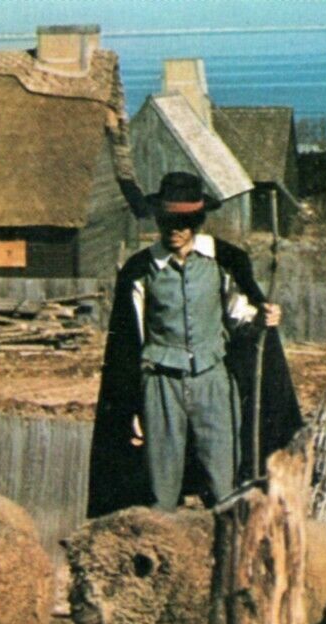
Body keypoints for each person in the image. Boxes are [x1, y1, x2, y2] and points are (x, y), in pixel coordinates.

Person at [86, 171, 305, 517]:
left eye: (183, 222)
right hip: (161, 386)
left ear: (197, 222)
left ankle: (228, 547)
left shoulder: (224, 261)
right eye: (167, 221)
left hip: (213, 384)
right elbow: (129, 341)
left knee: (224, 487)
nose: (174, 230)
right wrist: (132, 404)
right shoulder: (141, 270)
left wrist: (263, 318)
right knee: (161, 493)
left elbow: (241, 317)